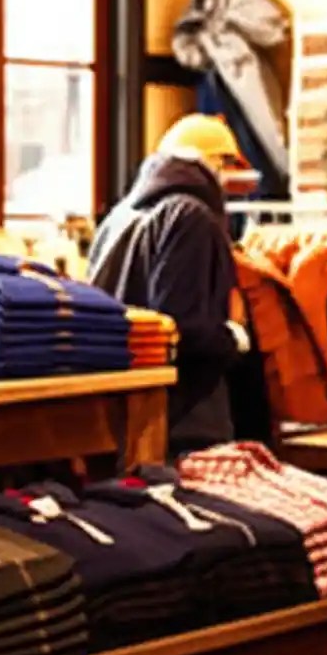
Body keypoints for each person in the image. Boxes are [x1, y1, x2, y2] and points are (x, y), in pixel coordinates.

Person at [88, 113, 253, 458]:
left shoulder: (119, 217)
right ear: (215, 163)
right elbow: (180, 330)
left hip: (120, 411)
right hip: (181, 422)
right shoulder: (190, 217)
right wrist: (234, 334)